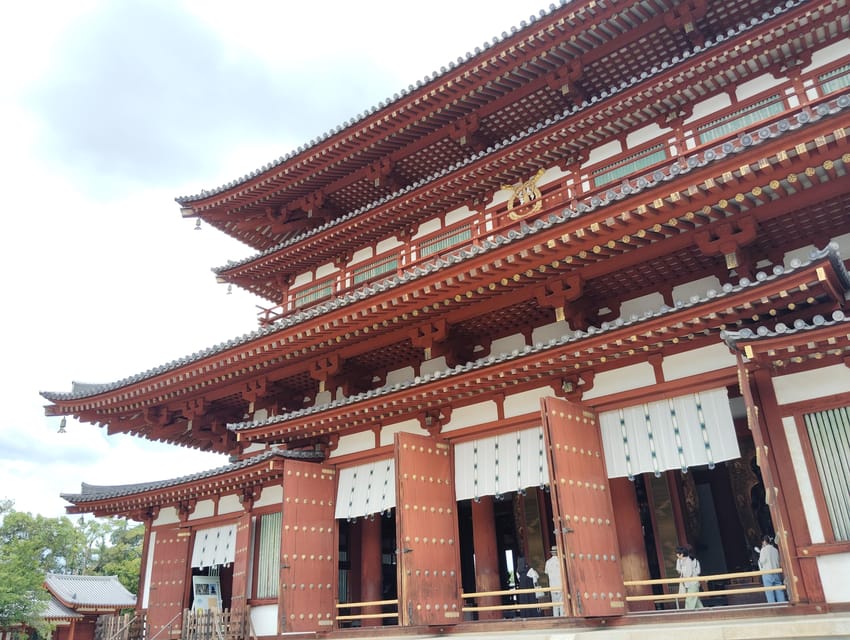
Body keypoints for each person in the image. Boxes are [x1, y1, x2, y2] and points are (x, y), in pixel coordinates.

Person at [758, 535, 787, 603]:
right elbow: (778, 561)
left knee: (769, 592)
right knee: (779, 590)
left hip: (767, 573)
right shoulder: (775, 550)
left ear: (764, 542)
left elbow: (762, 561)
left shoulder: (763, 550)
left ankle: (773, 606)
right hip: (776, 572)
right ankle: (783, 604)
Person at [544, 545, 564, 616]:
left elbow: (546, 572)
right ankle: (562, 617)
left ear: (552, 553)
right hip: (561, 585)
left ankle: (556, 617)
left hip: (553, 586)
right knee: (562, 604)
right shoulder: (561, 561)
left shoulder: (548, 562)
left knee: (555, 605)